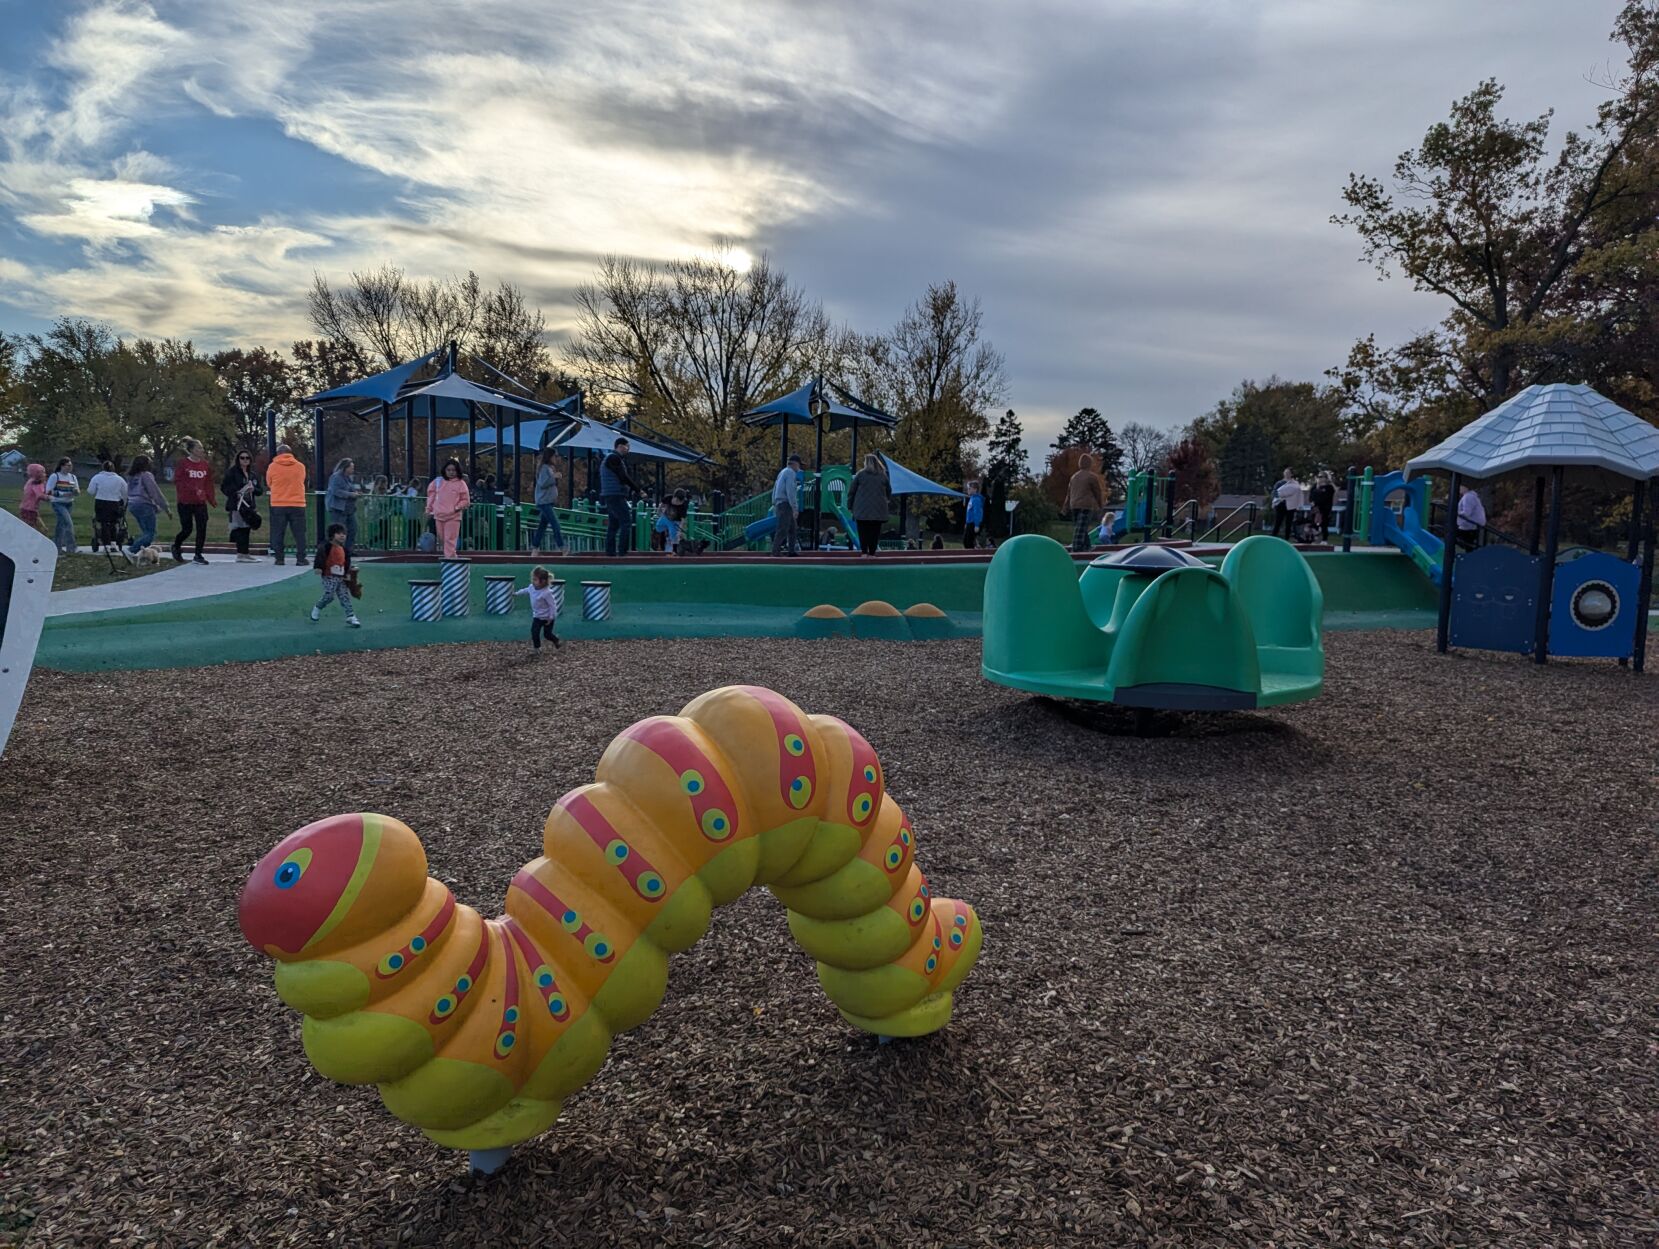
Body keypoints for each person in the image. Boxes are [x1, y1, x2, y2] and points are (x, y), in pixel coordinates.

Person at [309, 522, 362, 627]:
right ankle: (318, 607)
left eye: (344, 533)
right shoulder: (326, 547)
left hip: (340, 577)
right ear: (332, 535)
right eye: (339, 533)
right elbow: (320, 556)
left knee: (344, 596)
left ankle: (350, 616)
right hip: (329, 576)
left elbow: (346, 563)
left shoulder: (344, 550)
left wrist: (347, 574)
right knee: (329, 595)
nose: (342, 535)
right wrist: (318, 567)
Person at [170, 438, 213, 564]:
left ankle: (198, 554)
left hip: (200, 503)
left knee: (202, 527)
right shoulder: (183, 464)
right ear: (192, 450)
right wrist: (193, 490)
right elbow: (178, 481)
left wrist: (210, 497)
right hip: (185, 502)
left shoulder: (205, 465)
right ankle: (176, 546)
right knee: (187, 529)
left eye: (202, 448)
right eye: (199, 448)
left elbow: (208, 483)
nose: (202, 450)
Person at [266, 443, 308, 565]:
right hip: (298, 503)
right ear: (290, 453)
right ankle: (301, 559)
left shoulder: (272, 467)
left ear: (278, 454)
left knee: (278, 532)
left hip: (278, 503)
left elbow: (269, 483)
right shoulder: (300, 466)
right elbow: (302, 480)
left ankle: (279, 558)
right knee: (299, 534)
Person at [123, 454, 171, 562]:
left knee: (145, 532)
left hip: (133, 504)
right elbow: (155, 492)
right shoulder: (146, 475)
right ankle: (131, 550)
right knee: (150, 534)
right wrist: (165, 507)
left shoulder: (131, 476)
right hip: (144, 504)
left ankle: (144, 554)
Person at [599, 436, 638, 557]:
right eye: (627, 447)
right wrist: (638, 489)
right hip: (615, 494)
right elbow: (623, 476)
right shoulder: (614, 458)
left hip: (609, 494)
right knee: (626, 522)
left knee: (614, 524)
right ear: (620, 446)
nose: (628, 450)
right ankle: (622, 551)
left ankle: (610, 552)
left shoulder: (609, 458)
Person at [222, 451, 263, 563]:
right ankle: (241, 554)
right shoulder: (232, 473)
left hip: (249, 505)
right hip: (237, 505)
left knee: (247, 528)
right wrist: (238, 491)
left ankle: (245, 553)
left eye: (247, 458)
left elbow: (260, 490)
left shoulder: (252, 474)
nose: (245, 460)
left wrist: (253, 489)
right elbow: (224, 488)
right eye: (242, 458)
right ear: (238, 459)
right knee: (240, 528)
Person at [847, 453, 891, 557]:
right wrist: (886, 500)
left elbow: (852, 491)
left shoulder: (860, 474)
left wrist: (850, 505)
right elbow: (889, 490)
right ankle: (872, 553)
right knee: (875, 532)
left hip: (861, 509)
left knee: (863, 532)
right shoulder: (883, 476)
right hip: (878, 510)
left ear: (866, 463)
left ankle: (864, 552)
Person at [426, 458, 471, 559]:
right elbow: (431, 496)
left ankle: (450, 560)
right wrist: (428, 509)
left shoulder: (461, 483)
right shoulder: (437, 482)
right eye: (449, 470)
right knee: (442, 539)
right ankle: (450, 557)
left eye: (453, 470)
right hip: (439, 515)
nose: (451, 472)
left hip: (453, 516)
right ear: (444, 470)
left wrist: (456, 508)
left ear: (457, 471)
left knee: (449, 539)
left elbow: (465, 500)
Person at [514, 565, 562, 652]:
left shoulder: (547, 592)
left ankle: (556, 640)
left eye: (535, 579)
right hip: (537, 617)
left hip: (547, 617)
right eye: (533, 578)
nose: (533, 581)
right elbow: (526, 590)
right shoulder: (531, 587)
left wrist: (551, 617)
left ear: (543, 581)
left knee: (547, 634)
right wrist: (516, 593)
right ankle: (537, 648)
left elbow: (552, 605)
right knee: (534, 632)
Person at [1065, 454, 1106, 551]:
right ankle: (1076, 549)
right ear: (1090, 464)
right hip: (1086, 506)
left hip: (1074, 505)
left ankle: (1087, 547)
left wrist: (1065, 507)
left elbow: (1068, 493)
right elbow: (1097, 492)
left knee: (1081, 528)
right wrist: (1101, 505)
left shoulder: (1074, 477)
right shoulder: (1092, 477)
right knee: (1080, 529)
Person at [531, 448, 565, 555]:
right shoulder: (544, 468)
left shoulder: (550, 468)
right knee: (555, 524)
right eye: (555, 456)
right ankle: (562, 547)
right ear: (550, 456)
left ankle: (535, 548)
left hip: (548, 500)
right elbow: (543, 483)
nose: (557, 458)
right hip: (544, 501)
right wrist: (554, 477)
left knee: (542, 526)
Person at [87, 460, 127, 551]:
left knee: (104, 523)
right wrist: (123, 503)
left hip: (101, 502)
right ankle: (113, 543)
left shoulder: (97, 478)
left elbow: (90, 491)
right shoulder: (119, 479)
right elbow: (125, 493)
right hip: (114, 503)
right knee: (113, 523)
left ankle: (107, 544)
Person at [325, 458, 361, 553]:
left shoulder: (348, 478)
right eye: (351, 467)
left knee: (353, 528)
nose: (353, 469)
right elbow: (335, 491)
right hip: (338, 508)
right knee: (338, 531)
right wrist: (350, 494)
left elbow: (350, 488)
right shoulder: (336, 477)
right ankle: (336, 550)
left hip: (349, 509)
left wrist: (355, 493)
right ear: (345, 468)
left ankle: (348, 550)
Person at [45, 456, 80, 553]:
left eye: (71, 465)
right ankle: (72, 548)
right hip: (58, 502)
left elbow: (77, 489)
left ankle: (57, 547)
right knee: (68, 524)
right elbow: (48, 491)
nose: (70, 467)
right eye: (68, 465)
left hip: (69, 503)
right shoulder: (55, 476)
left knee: (61, 525)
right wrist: (63, 494)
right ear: (62, 466)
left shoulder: (73, 477)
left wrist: (76, 492)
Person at [771, 454, 803, 556]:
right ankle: (775, 552)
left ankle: (791, 551)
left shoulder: (782, 472)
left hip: (780, 503)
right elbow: (791, 492)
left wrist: (774, 503)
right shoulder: (790, 473)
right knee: (783, 529)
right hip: (786, 504)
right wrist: (795, 508)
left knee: (792, 529)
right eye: (799, 465)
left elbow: (775, 488)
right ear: (795, 464)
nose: (799, 467)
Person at [1271, 468, 1299, 539]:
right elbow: (1274, 492)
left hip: (1290, 505)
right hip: (1280, 504)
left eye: (1288, 473)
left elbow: (1297, 494)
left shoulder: (1294, 484)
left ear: (1292, 474)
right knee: (1278, 522)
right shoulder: (1279, 483)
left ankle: (1287, 539)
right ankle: (1273, 538)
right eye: (1285, 472)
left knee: (1288, 523)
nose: (1286, 474)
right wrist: (1278, 498)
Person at [1456, 482, 1486, 550]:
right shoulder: (1471, 496)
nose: (1459, 488)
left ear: (1466, 487)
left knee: (1453, 536)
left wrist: (1456, 513)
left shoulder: (1468, 497)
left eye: (1461, 486)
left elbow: (1467, 512)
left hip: (1469, 525)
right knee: (1468, 544)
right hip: (1472, 525)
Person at [18, 463, 46, 532]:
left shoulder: (30, 481)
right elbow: (40, 495)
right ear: (37, 473)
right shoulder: (36, 482)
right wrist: (50, 497)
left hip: (24, 508)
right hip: (30, 509)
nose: (44, 474)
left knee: (26, 527)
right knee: (32, 529)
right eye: (42, 472)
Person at [1310, 471, 1337, 537]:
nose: (1320, 478)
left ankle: (1324, 538)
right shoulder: (1314, 486)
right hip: (1315, 508)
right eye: (1319, 477)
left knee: (1324, 524)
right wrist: (1312, 502)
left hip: (1325, 508)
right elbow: (1311, 496)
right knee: (1314, 523)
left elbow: (1326, 497)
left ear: (1325, 478)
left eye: (1321, 477)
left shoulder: (1329, 487)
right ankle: (1315, 538)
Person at [963, 479, 985, 549]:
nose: (968, 490)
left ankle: (971, 557)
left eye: (970, 488)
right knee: (965, 541)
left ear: (975, 489)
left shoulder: (977, 500)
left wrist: (977, 525)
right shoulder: (972, 498)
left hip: (973, 523)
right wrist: (966, 523)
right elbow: (969, 512)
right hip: (969, 523)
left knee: (968, 542)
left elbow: (977, 513)